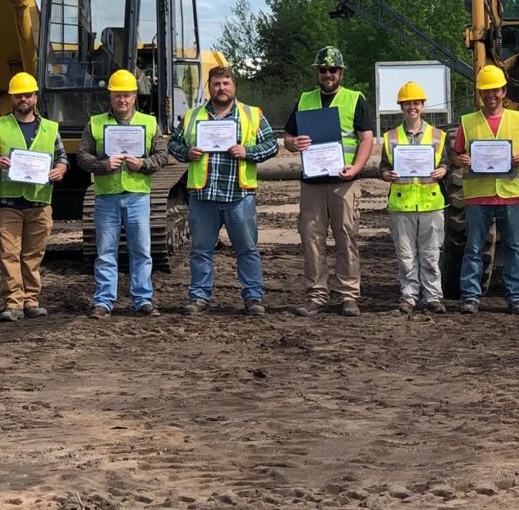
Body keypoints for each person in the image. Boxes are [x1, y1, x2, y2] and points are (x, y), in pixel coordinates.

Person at [168, 65, 278, 315]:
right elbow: (173, 144)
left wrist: (247, 151)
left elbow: (272, 146)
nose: (221, 88)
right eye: (217, 84)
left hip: (238, 196)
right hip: (203, 196)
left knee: (247, 249)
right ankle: (199, 297)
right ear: (209, 87)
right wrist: (187, 152)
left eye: (226, 83)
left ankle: (253, 298)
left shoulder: (252, 114)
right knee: (200, 250)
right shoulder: (192, 116)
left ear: (233, 86)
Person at [284, 47, 375, 316]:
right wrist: (293, 144)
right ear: (317, 72)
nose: (327, 74)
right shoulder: (304, 100)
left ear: (341, 72)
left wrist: (357, 167)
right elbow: (289, 137)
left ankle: (348, 295)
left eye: (332, 70)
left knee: (347, 237)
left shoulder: (354, 99)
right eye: (322, 70)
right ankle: (316, 295)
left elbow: (366, 138)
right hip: (312, 183)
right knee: (312, 239)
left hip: (343, 181)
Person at [77, 68, 168, 318]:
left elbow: (162, 155)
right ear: (111, 97)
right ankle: (104, 301)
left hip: (138, 195)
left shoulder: (149, 123)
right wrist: (103, 166)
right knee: (106, 251)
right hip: (107, 196)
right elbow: (83, 156)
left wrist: (144, 165)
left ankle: (142, 299)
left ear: (135, 96)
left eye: (126, 95)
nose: (122, 100)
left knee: (141, 250)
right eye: (117, 95)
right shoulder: (95, 124)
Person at [0, 72, 69, 322]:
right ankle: (13, 303)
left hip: (39, 203)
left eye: (27, 95)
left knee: (33, 255)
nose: (23, 99)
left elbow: (62, 158)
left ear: (35, 97)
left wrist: (60, 170)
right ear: (12, 98)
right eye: (18, 96)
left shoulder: (51, 129)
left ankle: (31, 300)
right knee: (8, 254)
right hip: (8, 203)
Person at [452, 65, 519, 315]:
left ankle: (516, 296)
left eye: (495, 90)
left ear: (504, 91)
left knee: (514, 248)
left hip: (510, 195)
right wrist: (461, 160)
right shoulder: (468, 123)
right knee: (474, 248)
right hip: (479, 195)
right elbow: (456, 155)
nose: (491, 95)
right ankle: (470, 296)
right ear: (480, 94)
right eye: (485, 91)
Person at [378, 81, 448, 313]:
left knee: (430, 254)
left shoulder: (438, 136)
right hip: (402, 203)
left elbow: (446, 163)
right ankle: (409, 296)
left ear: (423, 106)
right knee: (406, 255)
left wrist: (443, 171)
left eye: (416, 103)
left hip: (430, 204)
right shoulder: (390, 137)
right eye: (407, 104)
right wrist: (386, 174)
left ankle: (432, 297)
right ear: (401, 107)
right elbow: (383, 167)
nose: (412, 108)